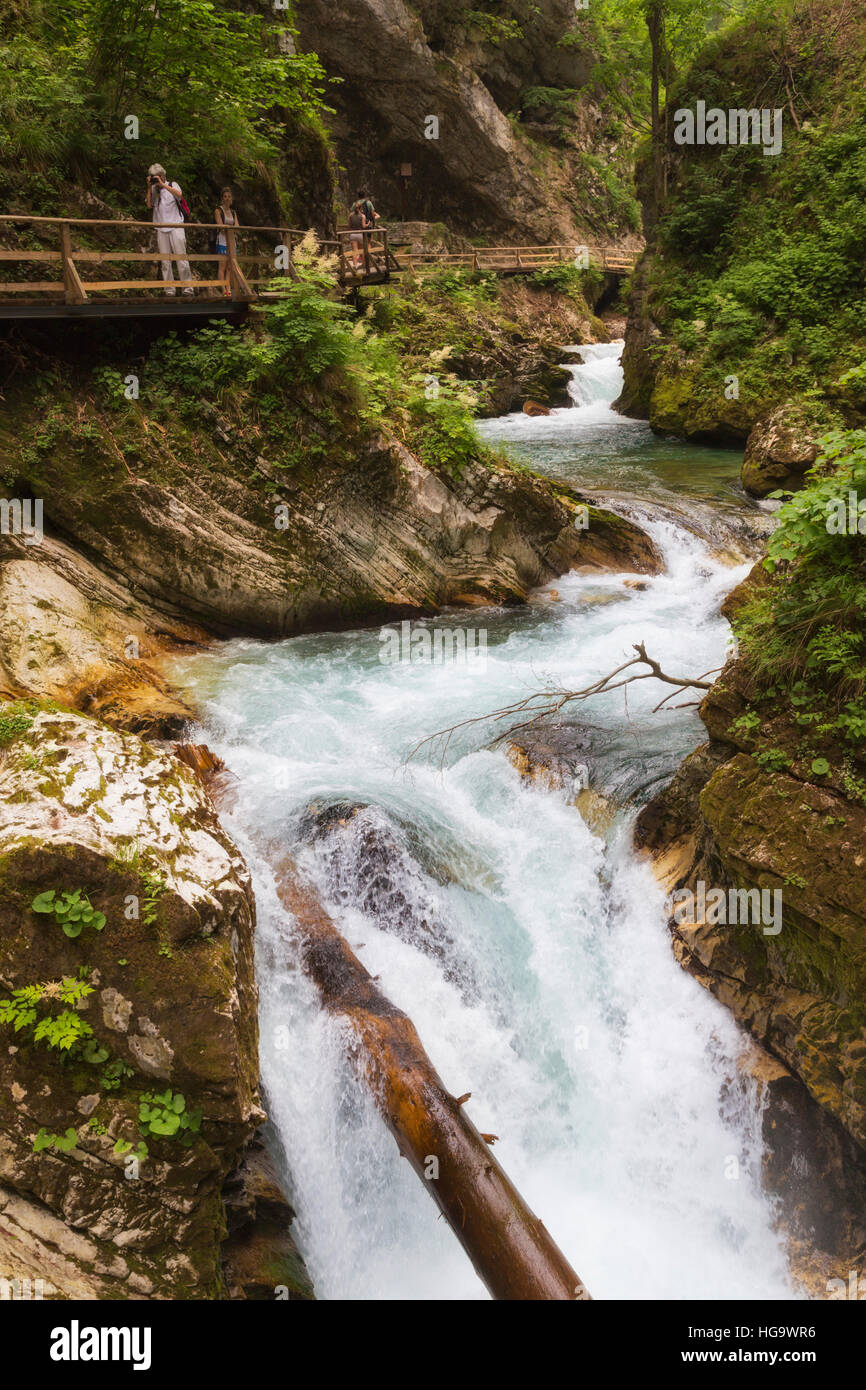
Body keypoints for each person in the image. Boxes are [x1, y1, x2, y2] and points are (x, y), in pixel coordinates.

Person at [146, 163, 193, 296]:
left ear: (162, 175)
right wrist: (150, 187)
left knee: (181, 259)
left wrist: (163, 185)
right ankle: (169, 290)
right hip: (161, 228)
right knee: (165, 262)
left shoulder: (172, 184)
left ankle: (187, 289)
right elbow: (149, 205)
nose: (156, 179)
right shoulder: (154, 190)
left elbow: (179, 195)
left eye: (158, 177)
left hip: (176, 226)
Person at [213, 187, 238, 297]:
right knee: (222, 266)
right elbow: (221, 227)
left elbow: (237, 226)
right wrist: (230, 229)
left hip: (232, 241)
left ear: (232, 198)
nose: (227, 198)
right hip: (222, 240)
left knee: (229, 267)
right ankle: (223, 289)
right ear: (222, 198)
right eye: (225, 196)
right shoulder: (218, 211)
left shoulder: (233, 212)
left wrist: (232, 229)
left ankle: (228, 288)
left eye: (229, 196)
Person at [347, 200, 368, 270]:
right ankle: (364, 266)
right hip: (360, 235)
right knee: (362, 250)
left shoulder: (350, 215)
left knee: (354, 251)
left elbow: (349, 226)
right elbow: (363, 226)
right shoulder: (363, 216)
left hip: (352, 234)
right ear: (361, 208)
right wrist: (367, 224)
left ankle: (355, 266)